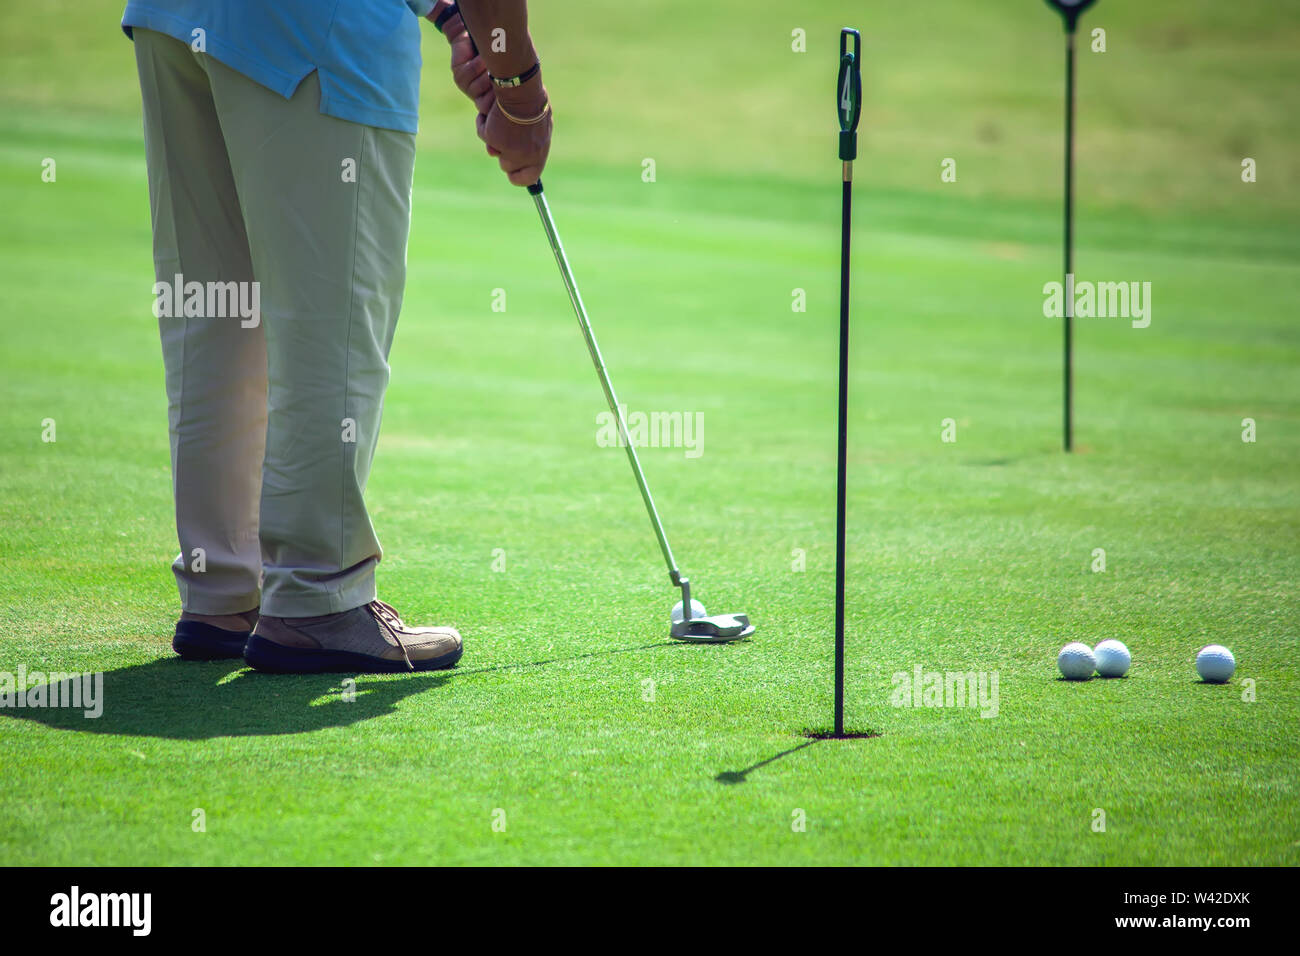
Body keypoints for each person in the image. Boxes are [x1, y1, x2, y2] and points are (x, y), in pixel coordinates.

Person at [123, 0, 551, 672]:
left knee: (218, 314)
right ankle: (318, 597)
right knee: (332, 325)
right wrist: (519, 92)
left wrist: (449, 16)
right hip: (315, 32)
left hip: (173, 18)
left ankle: (222, 589)